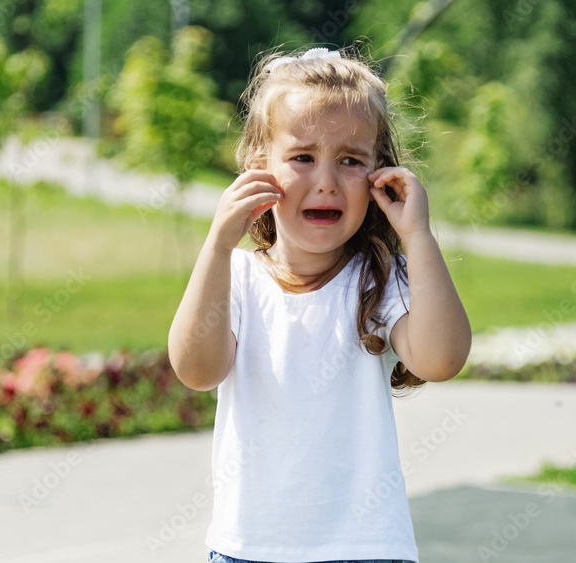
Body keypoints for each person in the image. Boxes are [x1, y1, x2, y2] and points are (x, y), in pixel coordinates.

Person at [167, 46, 472, 563]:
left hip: (366, 549)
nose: (326, 180)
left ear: (381, 175)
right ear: (260, 170)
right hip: (248, 550)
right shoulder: (236, 277)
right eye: (303, 157)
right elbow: (196, 370)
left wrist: (417, 234)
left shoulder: (376, 278)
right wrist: (217, 246)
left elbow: (441, 359)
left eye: (350, 160)